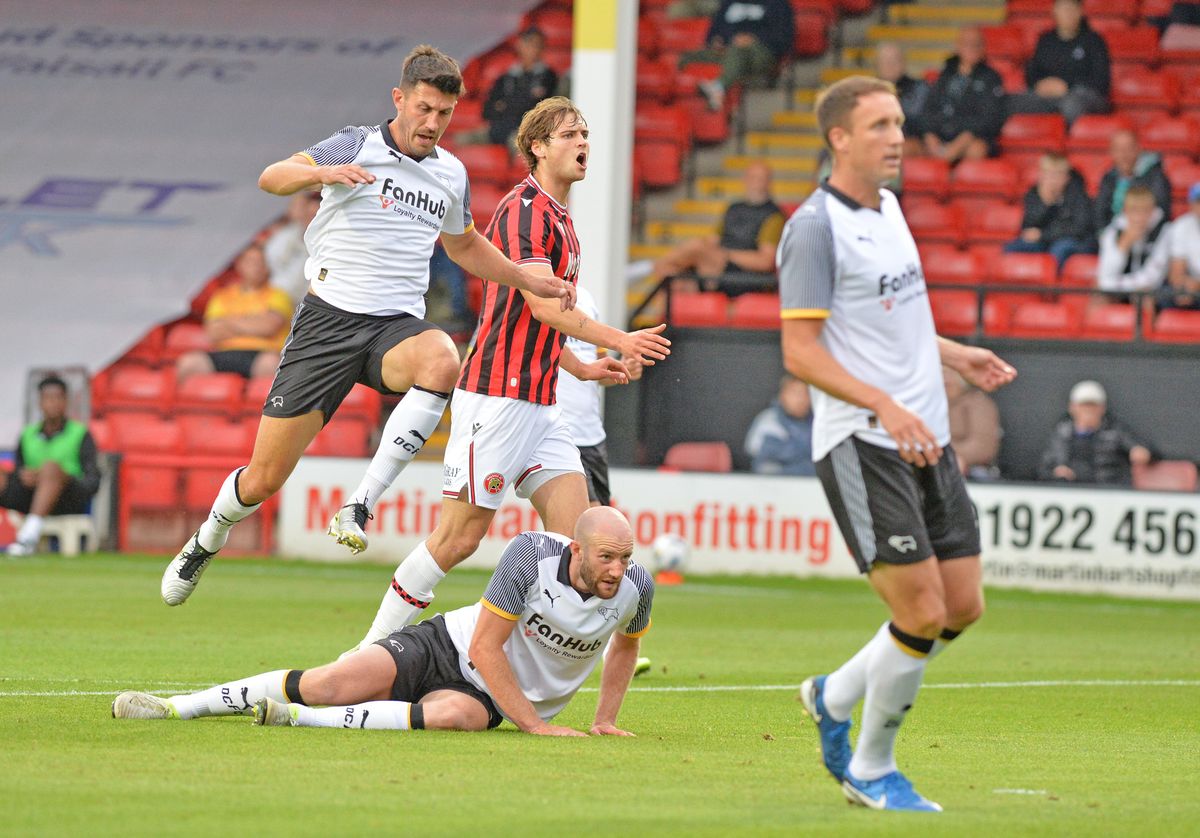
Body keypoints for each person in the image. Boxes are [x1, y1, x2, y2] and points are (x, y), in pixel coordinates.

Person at [160, 45, 575, 607]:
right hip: (326, 325)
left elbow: (465, 247)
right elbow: (271, 177)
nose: (432, 123)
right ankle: (206, 540)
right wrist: (323, 172)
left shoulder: (451, 173)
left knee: (441, 360)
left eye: (444, 114)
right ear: (399, 99)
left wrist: (528, 280)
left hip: (393, 328)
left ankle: (361, 502)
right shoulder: (357, 143)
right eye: (424, 109)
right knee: (262, 480)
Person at [339, 97, 671, 655]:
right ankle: (368, 654)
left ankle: (525, 659)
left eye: (586, 133)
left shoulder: (561, 218)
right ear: (538, 147)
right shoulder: (524, 212)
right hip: (495, 399)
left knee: (575, 537)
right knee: (459, 538)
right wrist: (619, 338)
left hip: (541, 407)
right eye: (570, 134)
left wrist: (583, 366)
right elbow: (543, 308)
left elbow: (532, 321)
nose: (583, 143)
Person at [778, 75, 1017, 812]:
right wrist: (885, 403)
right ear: (839, 138)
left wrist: (952, 355)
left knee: (963, 605)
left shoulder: (887, 207)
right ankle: (872, 770)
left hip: (929, 437)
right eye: (880, 125)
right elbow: (801, 352)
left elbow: (892, 320)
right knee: (918, 614)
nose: (897, 138)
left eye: (899, 123)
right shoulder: (813, 227)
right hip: (865, 443)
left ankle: (835, 694)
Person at [116, 508, 654, 737]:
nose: (617, 570)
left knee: (445, 717)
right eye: (606, 557)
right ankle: (175, 707)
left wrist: (604, 718)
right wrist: (536, 727)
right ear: (578, 548)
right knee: (329, 683)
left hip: (492, 696)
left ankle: (295, 720)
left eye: (624, 558)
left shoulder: (637, 587)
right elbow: (487, 650)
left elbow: (626, 647)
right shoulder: (530, 556)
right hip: (448, 645)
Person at [555, 285, 643, 508]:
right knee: (591, 520)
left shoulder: (585, 297)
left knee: (601, 521)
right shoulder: (541, 298)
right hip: (561, 433)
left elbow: (598, 372)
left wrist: (621, 370)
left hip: (592, 435)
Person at [0, 375, 101, 556]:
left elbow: (93, 481)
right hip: (30, 498)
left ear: (65, 401)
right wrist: (25, 476)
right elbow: (18, 471)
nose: (52, 403)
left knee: (51, 468)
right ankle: (31, 527)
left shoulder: (80, 434)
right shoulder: (27, 435)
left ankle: (28, 536)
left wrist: (61, 476)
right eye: (48, 398)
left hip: (69, 499)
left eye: (57, 398)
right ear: (40, 402)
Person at [652, 161, 785, 295]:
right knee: (670, 275)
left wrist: (726, 255)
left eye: (761, 178)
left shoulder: (773, 215)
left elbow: (765, 262)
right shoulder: (733, 208)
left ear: (769, 182)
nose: (756, 183)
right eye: (752, 177)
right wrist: (708, 253)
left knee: (695, 248)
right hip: (717, 267)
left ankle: (651, 266)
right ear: (744, 179)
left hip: (745, 275)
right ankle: (663, 272)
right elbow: (712, 241)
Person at [175, 244, 294, 385]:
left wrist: (228, 322)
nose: (256, 267)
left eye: (260, 262)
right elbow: (213, 332)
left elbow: (268, 327)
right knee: (189, 363)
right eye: (250, 262)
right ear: (240, 265)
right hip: (225, 351)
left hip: (263, 352)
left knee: (270, 364)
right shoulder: (222, 296)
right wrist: (253, 323)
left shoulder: (279, 295)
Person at [1009, 0, 1110, 125]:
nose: (1068, 13)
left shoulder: (1094, 41)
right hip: (1047, 96)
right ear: (1054, 11)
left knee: (1071, 104)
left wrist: (1067, 86)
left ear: (1081, 12)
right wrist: (1039, 84)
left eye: (1072, 8)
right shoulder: (1045, 40)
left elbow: (1101, 81)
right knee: (1011, 101)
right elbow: (1031, 73)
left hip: (1082, 96)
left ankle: (1069, 142)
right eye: (1063, 8)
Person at [919, 26, 1007, 164]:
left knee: (976, 150)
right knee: (907, 147)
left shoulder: (991, 78)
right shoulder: (945, 75)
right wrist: (930, 135)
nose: (971, 48)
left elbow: (990, 119)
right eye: (966, 43)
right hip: (940, 133)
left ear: (983, 48)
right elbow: (928, 109)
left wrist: (962, 141)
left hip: (971, 137)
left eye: (976, 44)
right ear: (958, 46)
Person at [1037, 380, 1151, 485]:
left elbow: (1143, 449)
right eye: (1083, 405)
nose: (1088, 411)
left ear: (1102, 408)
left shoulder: (1115, 432)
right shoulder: (1061, 434)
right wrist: (1057, 472)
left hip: (1109, 492)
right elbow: (1043, 468)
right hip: (1071, 494)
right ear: (1072, 408)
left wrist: (1140, 451)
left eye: (1093, 406)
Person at [691, 0, 796, 112]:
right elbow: (713, 32)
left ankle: (718, 87)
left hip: (763, 52)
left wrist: (753, 39)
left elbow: (784, 38)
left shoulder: (778, 3)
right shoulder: (729, 2)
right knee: (689, 57)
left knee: (738, 50)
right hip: (727, 48)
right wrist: (716, 40)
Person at [1003, 152, 1095, 270]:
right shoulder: (1033, 194)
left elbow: (1079, 228)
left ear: (1066, 177)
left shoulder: (1078, 195)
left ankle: (1053, 287)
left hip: (1069, 240)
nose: (1052, 180)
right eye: (1048, 174)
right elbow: (1027, 226)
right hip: (1043, 241)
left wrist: (1043, 235)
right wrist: (1045, 204)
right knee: (1012, 248)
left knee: (1059, 249)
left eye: (1057, 175)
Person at [483, 27, 559, 147]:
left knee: (517, 144)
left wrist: (505, 104)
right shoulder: (506, 76)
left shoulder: (549, 76)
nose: (534, 49)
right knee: (460, 140)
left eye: (538, 45)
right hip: (498, 129)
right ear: (519, 45)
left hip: (528, 132)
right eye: (529, 43)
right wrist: (524, 99)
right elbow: (487, 110)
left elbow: (538, 110)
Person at [1096, 185, 1171, 299]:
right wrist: (1123, 245)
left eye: (1144, 210)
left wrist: (1118, 285)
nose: (1139, 217)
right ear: (1125, 210)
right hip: (1118, 288)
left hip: (1147, 290)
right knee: (1098, 295)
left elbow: (1153, 278)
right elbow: (1105, 275)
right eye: (1134, 210)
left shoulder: (1163, 231)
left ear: (1152, 210)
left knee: (1144, 297)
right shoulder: (1113, 232)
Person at [1095, 130, 1172, 231]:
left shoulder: (1155, 176)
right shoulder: (1108, 177)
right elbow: (1100, 212)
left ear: (1138, 149)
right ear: (1111, 152)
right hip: (1113, 236)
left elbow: (1160, 211)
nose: (1124, 154)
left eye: (1128, 148)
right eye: (1118, 149)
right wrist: (1105, 235)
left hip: (1147, 236)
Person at [743, 373, 815, 476]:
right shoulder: (769, 420)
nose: (802, 399)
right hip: (773, 485)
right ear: (783, 395)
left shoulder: (817, 423)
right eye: (796, 393)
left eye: (806, 394)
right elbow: (759, 454)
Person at [262, 191, 321, 306]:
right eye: (309, 214)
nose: (312, 219)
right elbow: (273, 259)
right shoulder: (287, 235)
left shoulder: (330, 241)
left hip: (313, 303)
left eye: (316, 216)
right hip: (280, 300)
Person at [943, 367, 1000, 480]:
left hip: (970, 470)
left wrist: (947, 457)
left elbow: (982, 447)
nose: (944, 379)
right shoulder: (927, 406)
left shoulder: (978, 403)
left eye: (949, 375)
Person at [875, 42, 929, 158]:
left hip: (909, 140)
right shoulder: (869, 91)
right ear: (878, 65)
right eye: (885, 61)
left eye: (894, 60)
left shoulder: (919, 88)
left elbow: (921, 122)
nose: (890, 65)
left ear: (903, 63)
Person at [1162, 183, 1200, 311]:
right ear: (1191, 204)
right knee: (1167, 295)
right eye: (1198, 201)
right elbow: (1176, 271)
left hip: (1196, 285)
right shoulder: (1182, 226)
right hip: (1192, 286)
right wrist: (1183, 286)